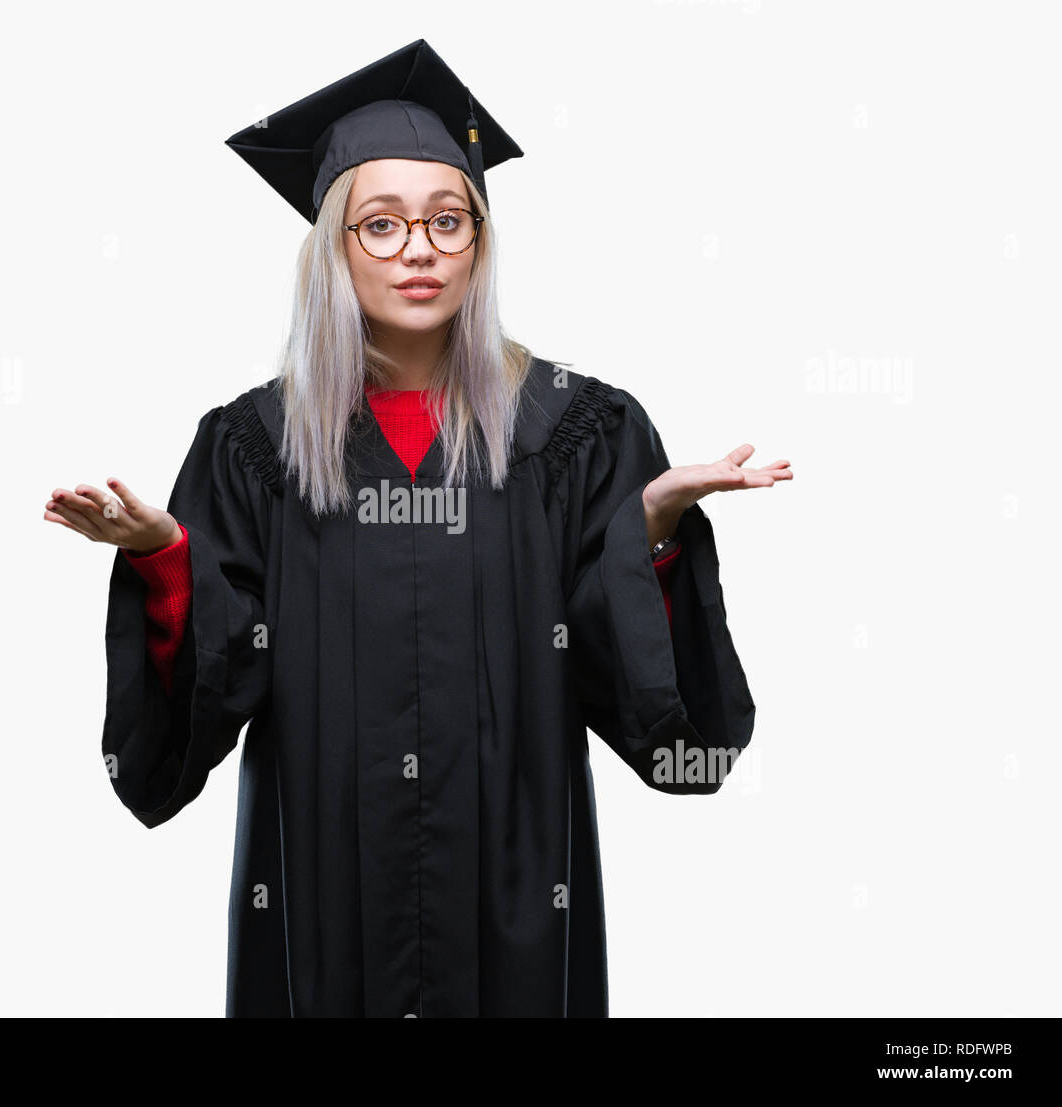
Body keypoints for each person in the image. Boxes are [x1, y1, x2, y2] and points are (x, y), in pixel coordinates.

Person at [43, 40, 792, 1017]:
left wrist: (645, 530)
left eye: (448, 220)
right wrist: (163, 557)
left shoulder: (572, 429)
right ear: (334, 248)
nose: (419, 247)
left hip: (516, 875)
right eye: (381, 224)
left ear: (479, 241)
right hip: (319, 876)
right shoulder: (254, 445)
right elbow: (210, 688)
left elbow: (645, 705)